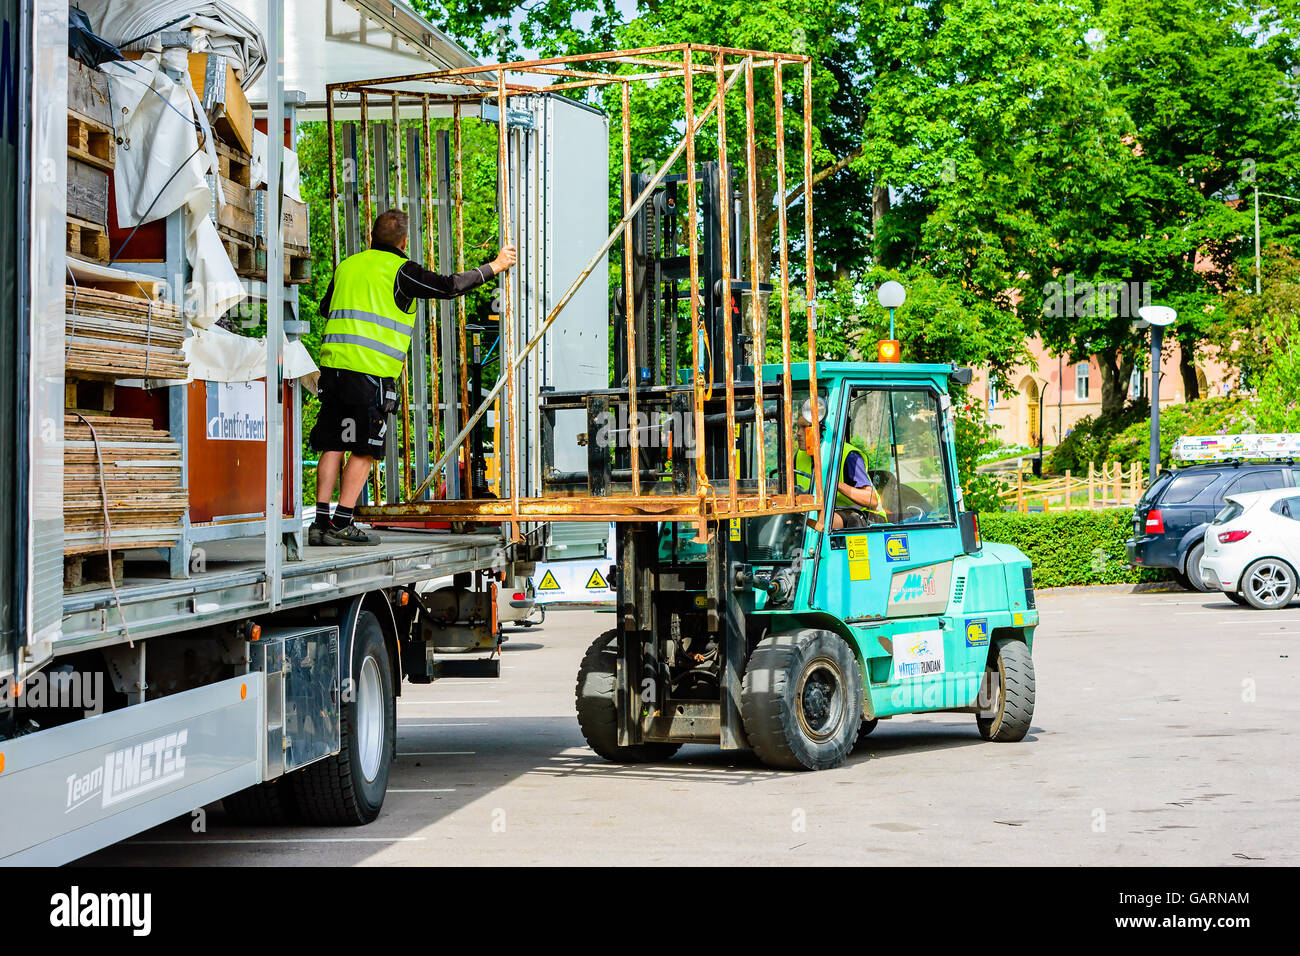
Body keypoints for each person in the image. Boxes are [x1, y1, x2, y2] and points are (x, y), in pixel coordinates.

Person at [309, 209, 516, 546]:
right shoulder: (402, 271)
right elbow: (448, 287)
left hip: (333, 371)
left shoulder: (348, 266)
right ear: (404, 242)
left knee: (333, 443)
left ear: (371, 238)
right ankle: (342, 521)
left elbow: (325, 307)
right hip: (370, 374)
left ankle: (320, 523)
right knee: (364, 448)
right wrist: (494, 266)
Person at [793, 421, 886, 529]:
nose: (798, 433)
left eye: (804, 427)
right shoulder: (798, 457)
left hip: (867, 516)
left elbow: (872, 500)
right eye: (797, 427)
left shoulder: (848, 456)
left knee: (825, 521)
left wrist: (835, 483)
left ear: (822, 430)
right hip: (825, 512)